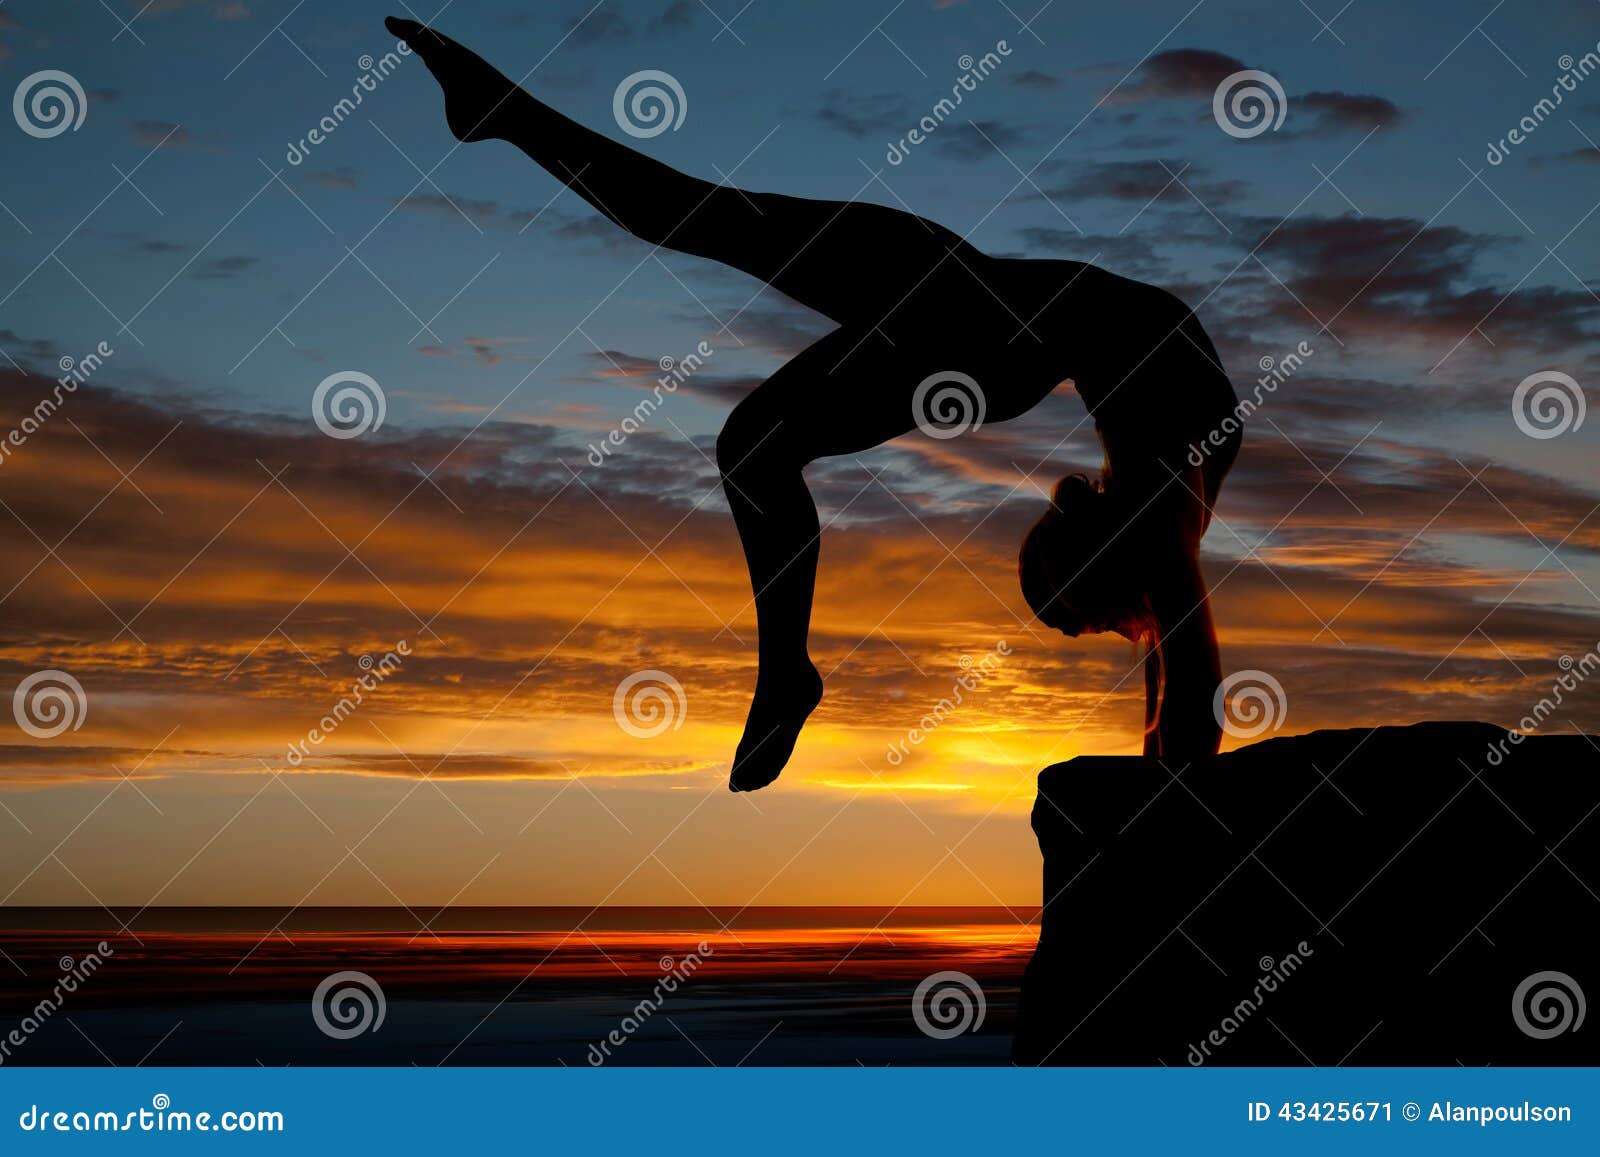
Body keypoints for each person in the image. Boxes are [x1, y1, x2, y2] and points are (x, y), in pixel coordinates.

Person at [385, 17, 1240, 789]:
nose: (1095, 632)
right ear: (1094, 566)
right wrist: (1166, 807)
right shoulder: (1162, 514)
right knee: (720, 287)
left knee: (722, 295)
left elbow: (1175, 675)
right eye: (1080, 618)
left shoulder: (1162, 507)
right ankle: (502, 112)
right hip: (974, 320)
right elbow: (1189, 687)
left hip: (976, 325)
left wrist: (1155, 779)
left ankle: (504, 113)